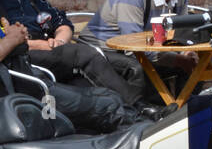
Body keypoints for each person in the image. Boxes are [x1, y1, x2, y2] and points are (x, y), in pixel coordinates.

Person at [0, 0, 141, 102]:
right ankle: (141, 109)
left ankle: (153, 110)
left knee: (131, 67)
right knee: (84, 54)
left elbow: (62, 21)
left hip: (59, 52)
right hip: (27, 62)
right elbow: (6, 44)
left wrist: (59, 40)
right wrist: (42, 45)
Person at [0, 19, 163, 131]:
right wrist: (12, 39)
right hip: (19, 95)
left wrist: (14, 37)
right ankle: (150, 138)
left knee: (109, 95)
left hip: (29, 76)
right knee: (108, 105)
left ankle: (152, 122)